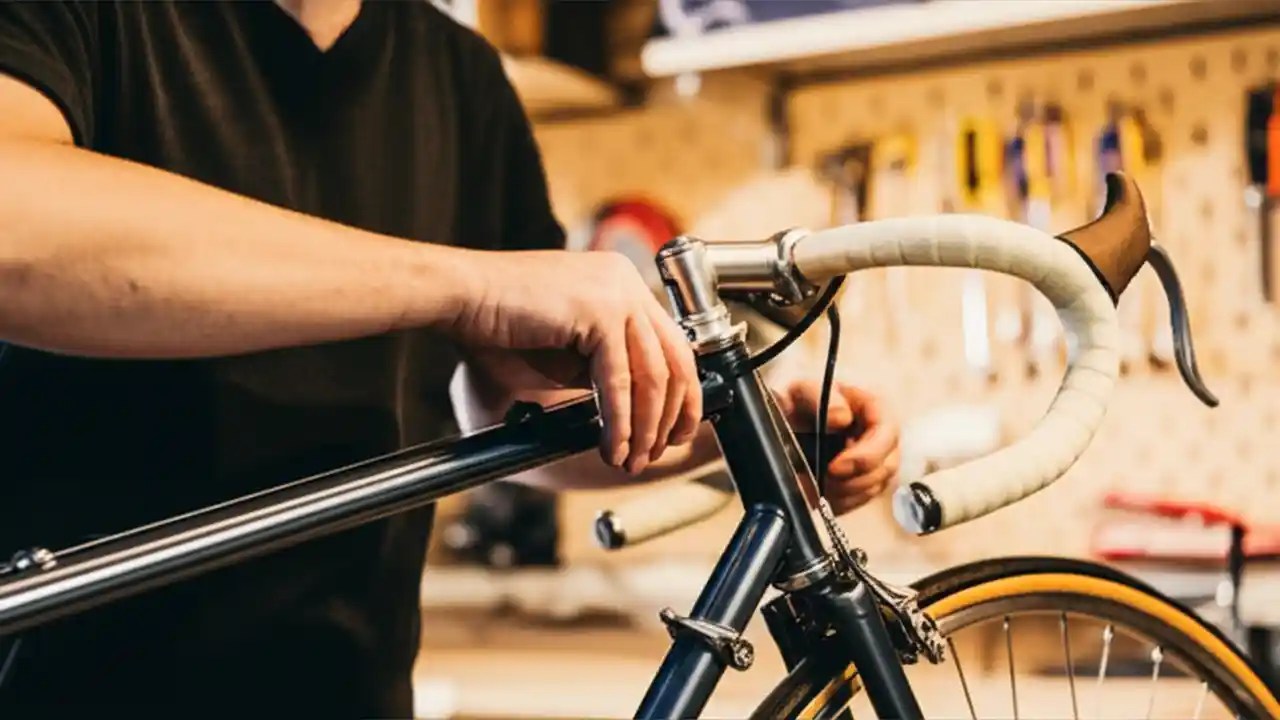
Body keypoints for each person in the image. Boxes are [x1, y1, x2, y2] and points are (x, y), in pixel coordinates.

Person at [0, 1, 899, 716]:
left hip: (349, 693)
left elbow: (515, 412)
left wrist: (737, 434)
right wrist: (466, 284)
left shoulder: (455, 73)